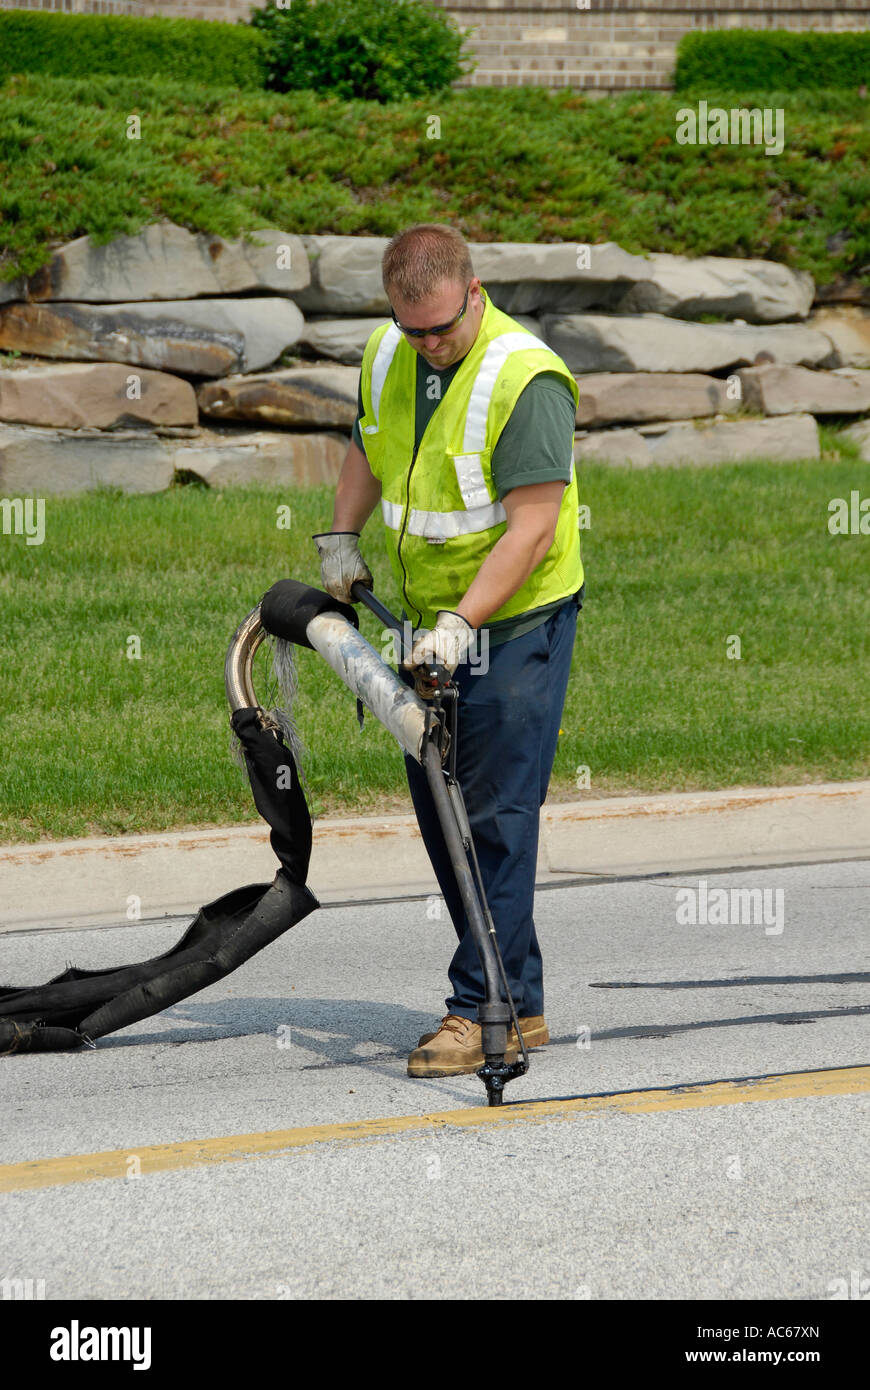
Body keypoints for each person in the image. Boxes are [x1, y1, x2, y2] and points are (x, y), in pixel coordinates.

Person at [312, 223, 584, 1079]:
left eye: (441, 327)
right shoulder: (388, 354)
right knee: (443, 809)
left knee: (494, 818)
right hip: (423, 622)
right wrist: (340, 535)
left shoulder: (524, 376)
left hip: (513, 623)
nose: (428, 344)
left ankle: (478, 1009)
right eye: (411, 327)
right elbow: (367, 444)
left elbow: (534, 526)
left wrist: (463, 623)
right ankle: (523, 1001)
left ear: (475, 291)